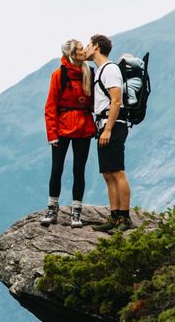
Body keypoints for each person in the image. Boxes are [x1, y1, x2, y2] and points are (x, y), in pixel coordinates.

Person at [41, 39, 96, 227]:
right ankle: (52, 208)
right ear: (72, 54)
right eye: (81, 49)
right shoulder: (59, 75)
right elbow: (50, 106)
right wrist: (52, 134)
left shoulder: (89, 73)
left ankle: (76, 212)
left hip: (84, 127)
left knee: (78, 170)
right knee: (57, 168)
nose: (84, 52)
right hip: (63, 127)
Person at [86, 34, 132, 231]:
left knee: (118, 171)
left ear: (96, 47)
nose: (86, 48)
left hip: (113, 125)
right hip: (103, 126)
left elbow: (116, 100)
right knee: (108, 173)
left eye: (88, 45)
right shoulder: (99, 71)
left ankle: (125, 217)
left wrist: (108, 129)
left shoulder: (110, 69)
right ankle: (114, 216)